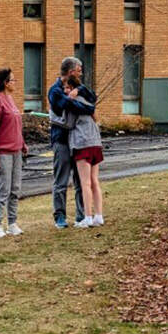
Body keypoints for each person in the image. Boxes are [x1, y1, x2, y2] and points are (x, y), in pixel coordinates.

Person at [48, 56, 95, 229]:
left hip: (78, 139)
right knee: (61, 179)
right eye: (79, 70)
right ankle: (59, 216)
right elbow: (69, 106)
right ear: (70, 71)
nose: (81, 73)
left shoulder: (79, 87)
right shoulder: (54, 91)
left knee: (80, 179)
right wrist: (81, 104)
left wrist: (80, 94)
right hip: (61, 139)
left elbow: (92, 102)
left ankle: (81, 215)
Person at [0, 67, 28, 238]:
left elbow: (15, 125)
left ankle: (12, 222)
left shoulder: (10, 99)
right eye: (13, 80)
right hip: (2, 152)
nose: (15, 83)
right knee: (3, 189)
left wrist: (22, 144)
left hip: (16, 150)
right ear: (5, 82)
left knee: (15, 188)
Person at [64, 75, 104, 228]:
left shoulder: (73, 103)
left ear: (74, 88)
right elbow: (95, 117)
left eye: (68, 88)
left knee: (84, 183)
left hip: (82, 144)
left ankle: (87, 217)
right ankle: (99, 215)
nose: (66, 91)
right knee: (95, 181)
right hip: (95, 143)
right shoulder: (89, 102)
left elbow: (68, 123)